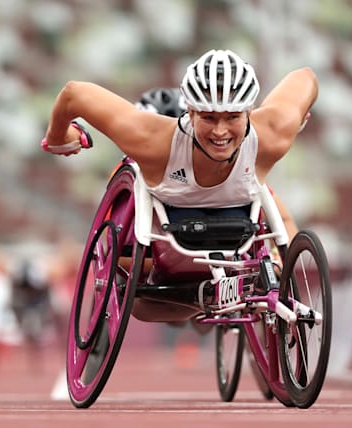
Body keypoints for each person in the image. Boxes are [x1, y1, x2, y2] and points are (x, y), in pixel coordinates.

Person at [42, 50, 316, 320]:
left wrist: (283, 266)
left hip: (232, 233)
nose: (220, 131)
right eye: (209, 118)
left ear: (249, 112)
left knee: (265, 200)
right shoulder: (153, 141)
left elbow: (306, 77)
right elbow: (73, 93)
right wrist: (58, 137)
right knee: (149, 307)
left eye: (232, 117)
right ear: (190, 113)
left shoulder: (271, 132)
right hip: (162, 258)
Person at [134, 86, 300, 240]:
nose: (218, 132)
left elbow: (283, 219)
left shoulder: (242, 171)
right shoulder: (134, 171)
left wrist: (279, 260)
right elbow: (111, 248)